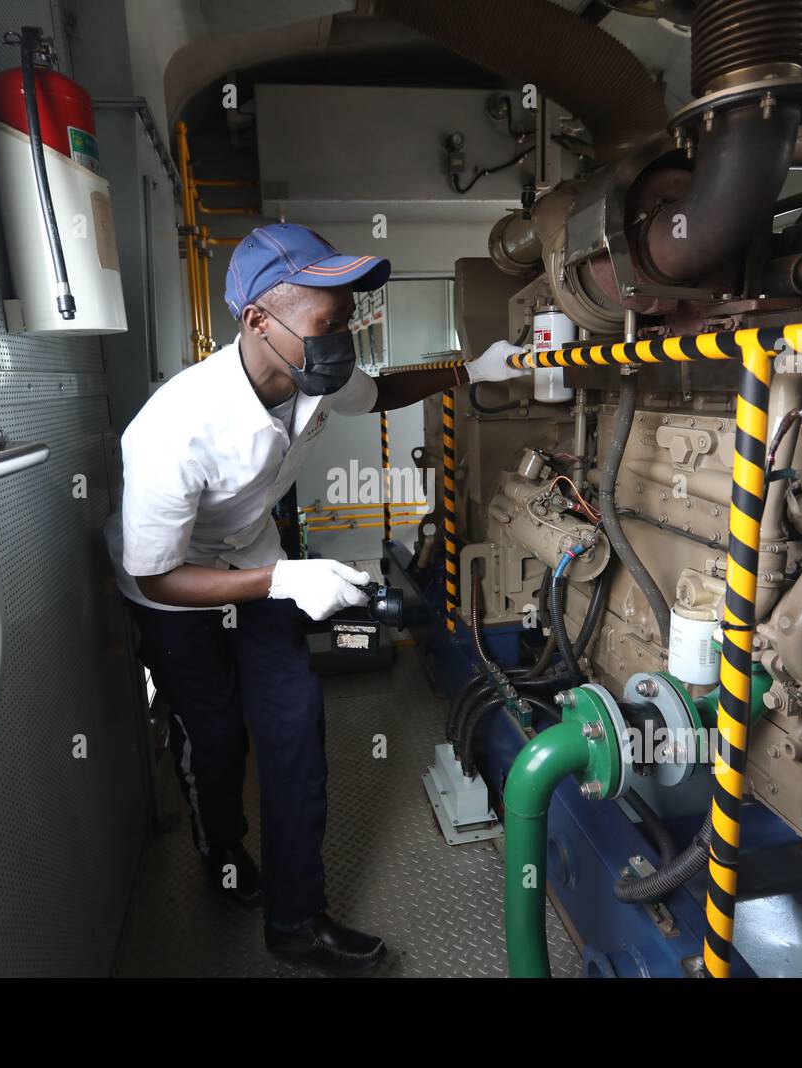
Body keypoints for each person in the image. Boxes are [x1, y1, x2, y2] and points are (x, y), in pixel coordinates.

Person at [105, 222, 527, 973]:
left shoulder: (314, 370)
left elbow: (386, 389)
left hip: (255, 562)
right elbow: (154, 575)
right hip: (174, 593)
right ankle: (224, 852)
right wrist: (286, 579)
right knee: (215, 735)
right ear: (258, 321)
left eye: (348, 319)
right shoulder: (175, 427)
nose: (344, 341)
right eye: (328, 323)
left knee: (294, 733)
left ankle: (295, 920)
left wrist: (473, 368)